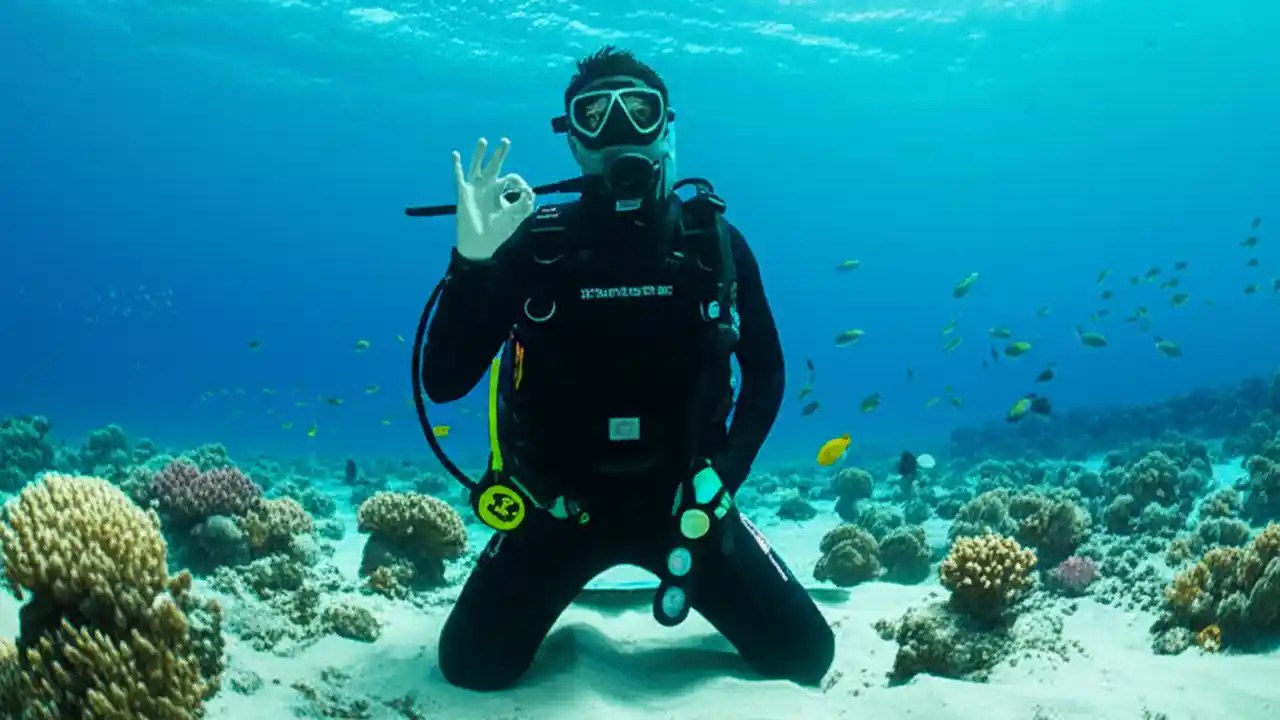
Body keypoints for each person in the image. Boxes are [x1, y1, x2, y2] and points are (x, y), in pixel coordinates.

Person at [419, 46, 834, 691]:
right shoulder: (531, 244)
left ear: (668, 128)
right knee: (472, 665)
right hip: (558, 508)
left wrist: (723, 478)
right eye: (594, 114)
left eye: (639, 111)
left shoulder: (713, 246)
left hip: (684, 503)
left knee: (805, 654)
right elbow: (443, 385)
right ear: (573, 140)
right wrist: (470, 263)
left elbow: (768, 377)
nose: (618, 131)